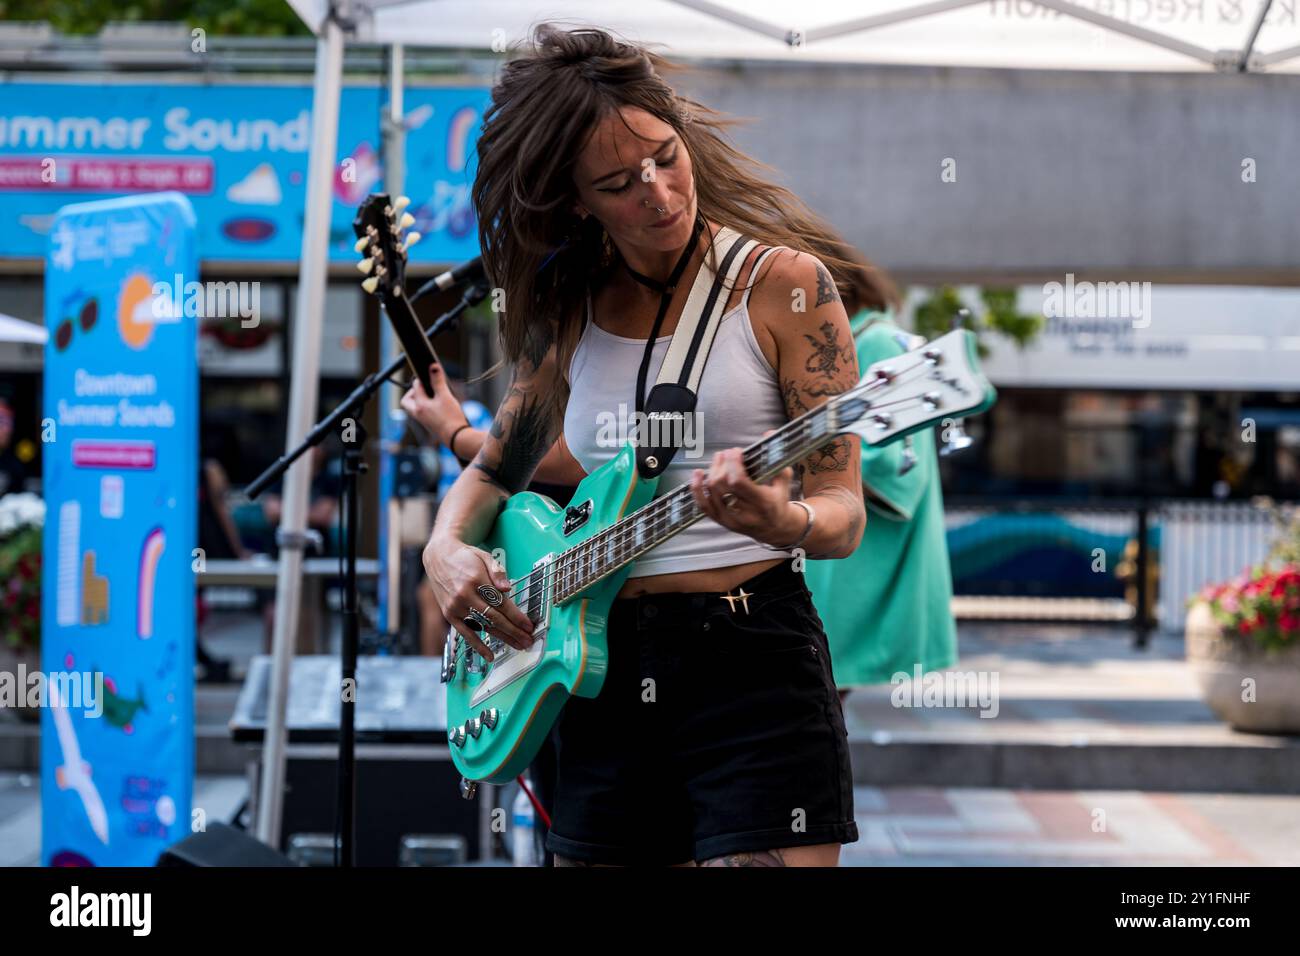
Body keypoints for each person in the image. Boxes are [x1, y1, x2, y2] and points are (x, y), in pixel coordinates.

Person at [421, 24, 866, 867]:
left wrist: (782, 518)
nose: (658, 193)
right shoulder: (566, 311)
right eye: (619, 184)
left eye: (666, 156)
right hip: (597, 671)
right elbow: (494, 471)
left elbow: (843, 513)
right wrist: (444, 549)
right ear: (576, 200)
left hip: (752, 661)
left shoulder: (788, 287)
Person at [800, 248, 960, 702]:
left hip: (857, 557)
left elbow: (893, 468)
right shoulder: (871, 339)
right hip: (853, 553)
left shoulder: (872, 343)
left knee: (818, 698)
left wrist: (797, 459)